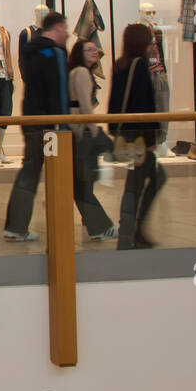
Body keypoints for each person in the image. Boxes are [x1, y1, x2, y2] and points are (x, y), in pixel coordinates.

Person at [3, 11, 70, 242]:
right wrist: (64, 126)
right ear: (58, 28)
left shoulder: (32, 52)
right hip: (51, 127)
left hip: (32, 120)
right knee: (59, 173)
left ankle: (16, 225)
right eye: (65, 28)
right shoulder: (54, 54)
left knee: (30, 171)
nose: (68, 33)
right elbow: (59, 93)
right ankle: (23, 226)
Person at [108, 23, 164, 249]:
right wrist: (151, 140)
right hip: (140, 137)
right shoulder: (139, 66)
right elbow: (144, 106)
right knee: (142, 182)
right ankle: (131, 232)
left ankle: (133, 231)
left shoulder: (121, 64)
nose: (153, 45)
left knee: (138, 183)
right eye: (149, 40)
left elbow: (115, 101)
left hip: (127, 133)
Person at [66, 40, 116, 241]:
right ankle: (101, 225)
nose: (95, 52)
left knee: (83, 182)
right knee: (84, 184)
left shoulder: (75, 72)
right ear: (80, 53)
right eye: (89, 50)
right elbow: (84, 105)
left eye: (96, 49)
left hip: (77, 130)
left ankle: (92, 221)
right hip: (82, 131)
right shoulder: (82, 73)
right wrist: (94, 129)